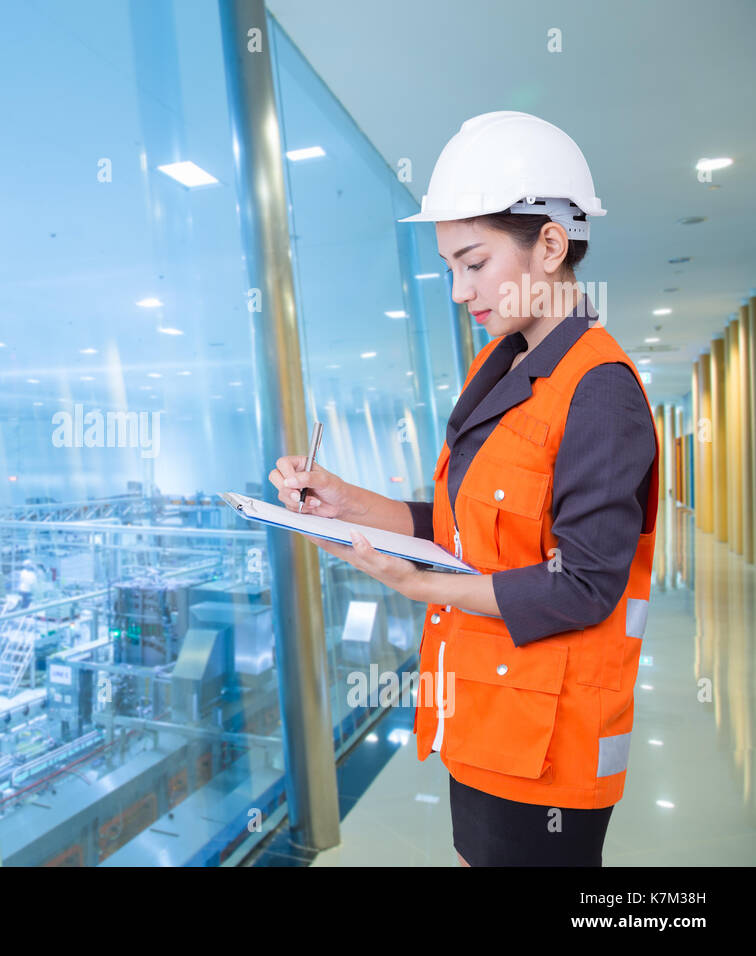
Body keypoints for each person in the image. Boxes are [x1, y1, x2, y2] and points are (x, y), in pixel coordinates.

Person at [269, 111, 658, 867]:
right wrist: (345, 500)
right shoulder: (504, 369)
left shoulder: (597, 389)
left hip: (549, 742)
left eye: (474, 263)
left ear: (549, 244)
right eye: (450, 267)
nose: (457, 290)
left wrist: (422, 587)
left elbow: (583, 585)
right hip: (485, 715)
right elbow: (458, 525)